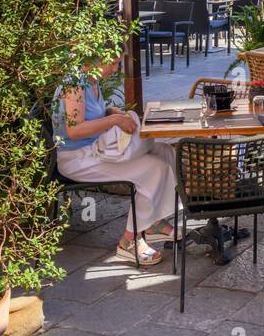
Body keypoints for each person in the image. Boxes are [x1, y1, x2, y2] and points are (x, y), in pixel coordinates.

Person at [54, 58, 179, 266]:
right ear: (94, 57)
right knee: (156, 168)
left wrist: (109, 112)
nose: (115, 69)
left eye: (118, 63)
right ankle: (129, 241)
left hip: (96, 151)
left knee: (163, 151)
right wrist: (114, 120)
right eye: (112, 63)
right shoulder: (74, 84)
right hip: (77, 159)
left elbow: (89, 117)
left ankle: (152, 223)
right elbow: (74, 131)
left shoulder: (91, 82)